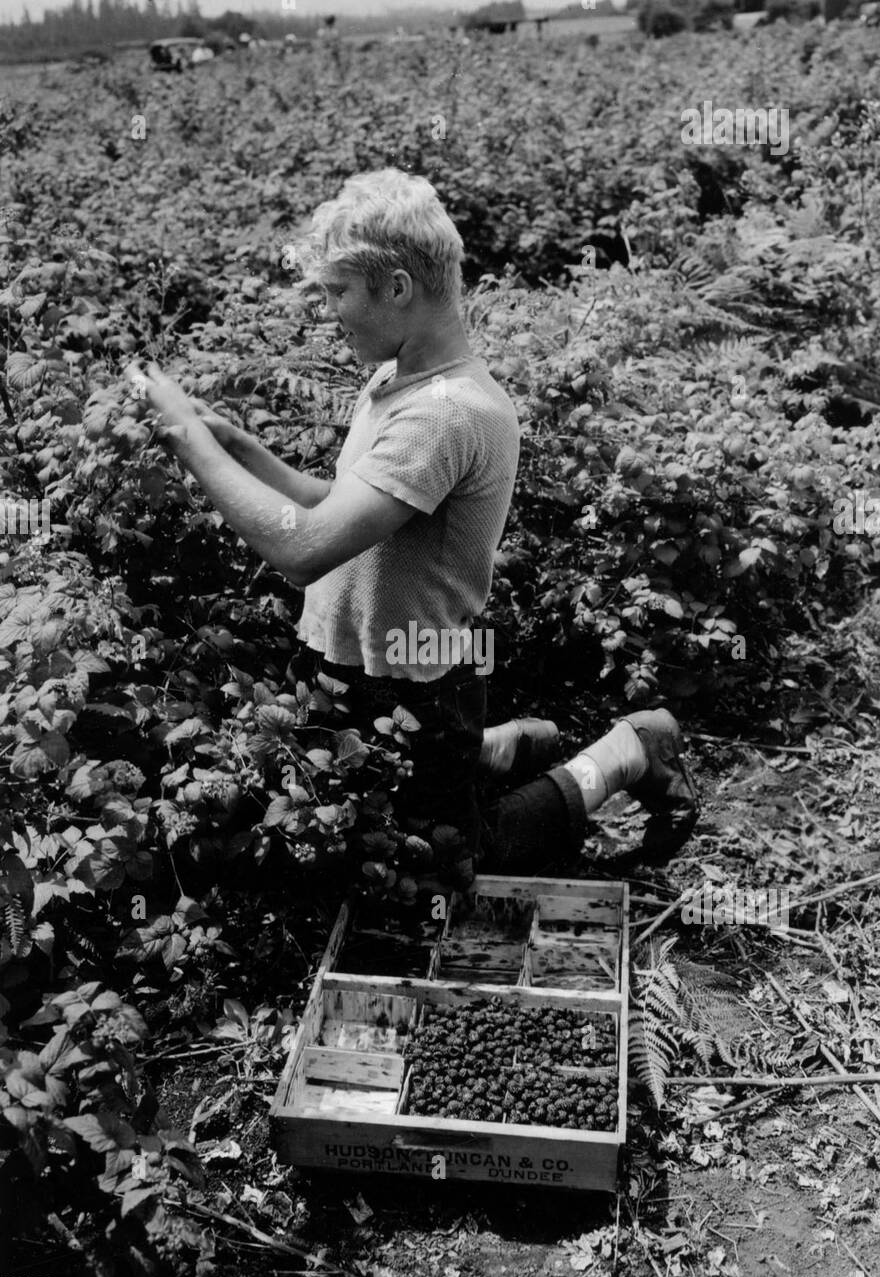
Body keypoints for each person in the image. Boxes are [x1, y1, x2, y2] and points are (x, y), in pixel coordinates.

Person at [131, 168, 699, 882]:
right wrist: (236, 444)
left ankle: (625, 752)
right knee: (364, 828)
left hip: (418, 678)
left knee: (446, 865)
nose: (331, 311)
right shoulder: (397, 382)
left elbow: (302, 549)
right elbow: (334, 505)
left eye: (340, 292)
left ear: (397, 287)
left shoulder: (447, 414)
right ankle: (498, 750)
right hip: (357, 659)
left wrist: (189, 440)